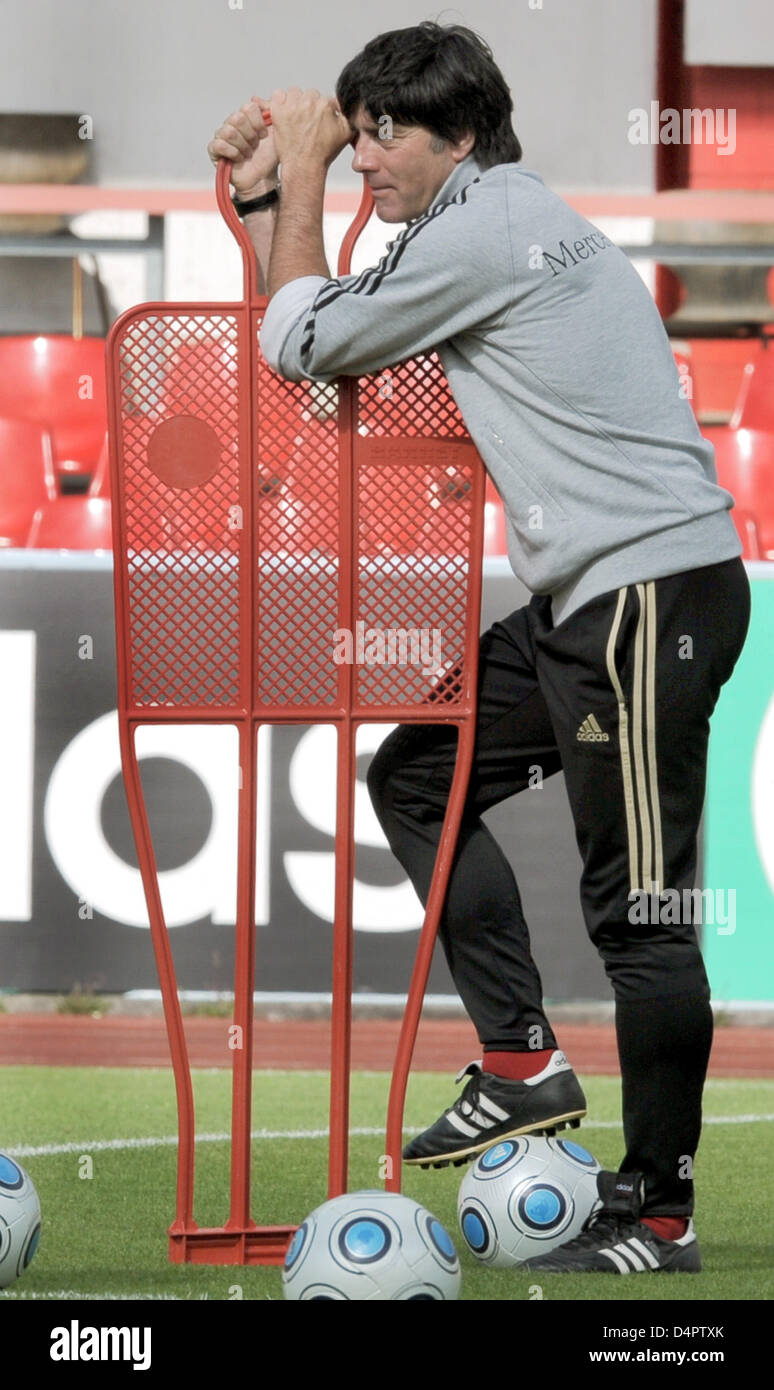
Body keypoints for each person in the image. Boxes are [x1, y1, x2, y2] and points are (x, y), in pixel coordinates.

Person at [208, 22, 750, 1274]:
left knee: (642, 915)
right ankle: (520, 1059)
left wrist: (299, 171)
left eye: (381, 135)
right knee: (417, 775)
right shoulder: (486, 218)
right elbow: (319, 323)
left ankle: (658, 1213)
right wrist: (272, 199)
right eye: (356, 137)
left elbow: (304, 340)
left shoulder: (482, 230)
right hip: (594, 598)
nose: (364, 160)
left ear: (459, 136)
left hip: (645, 592)